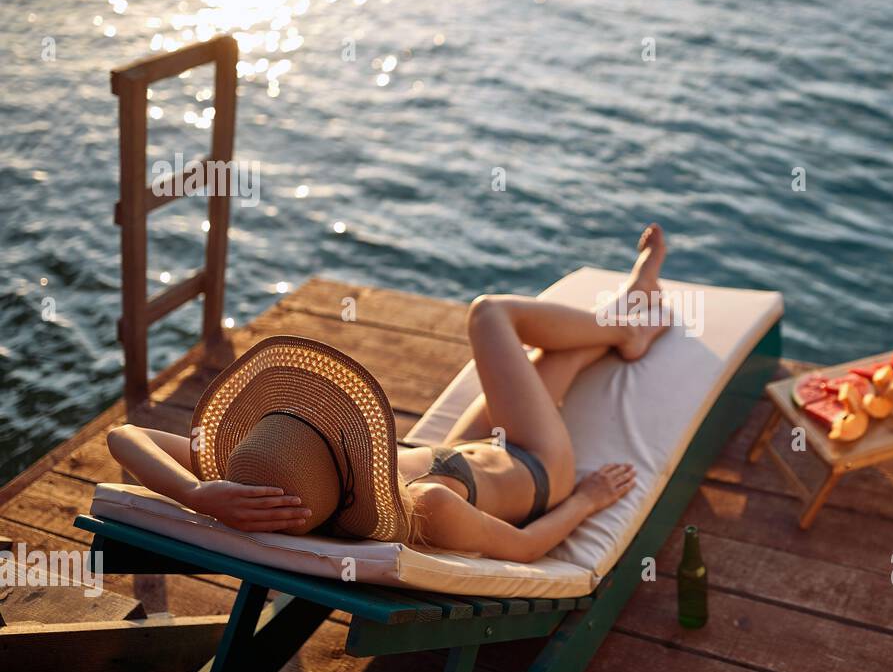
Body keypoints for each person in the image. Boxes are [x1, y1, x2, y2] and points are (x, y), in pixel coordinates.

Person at [106, 225, 673, 563]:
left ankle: (627, 316)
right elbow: (525, 550)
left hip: (457, 452)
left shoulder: (265, 486)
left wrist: (199, 494)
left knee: (550, 358)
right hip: (537, 468)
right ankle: (628, 321)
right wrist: (587, 499)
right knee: (490, 316)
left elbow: (125, 435)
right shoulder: (430, 509)